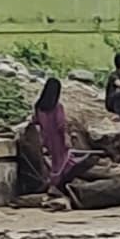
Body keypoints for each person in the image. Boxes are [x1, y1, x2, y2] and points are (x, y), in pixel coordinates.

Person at [30, 76, 89, 204]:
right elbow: (61, 125)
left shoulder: (39, 106)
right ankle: (56, 184)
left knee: (55, 162)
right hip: (58, 138)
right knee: (64, 161)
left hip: (47, 138)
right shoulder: (57, 107)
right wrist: (67, 138)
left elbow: (35, 121)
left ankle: (55, 182)